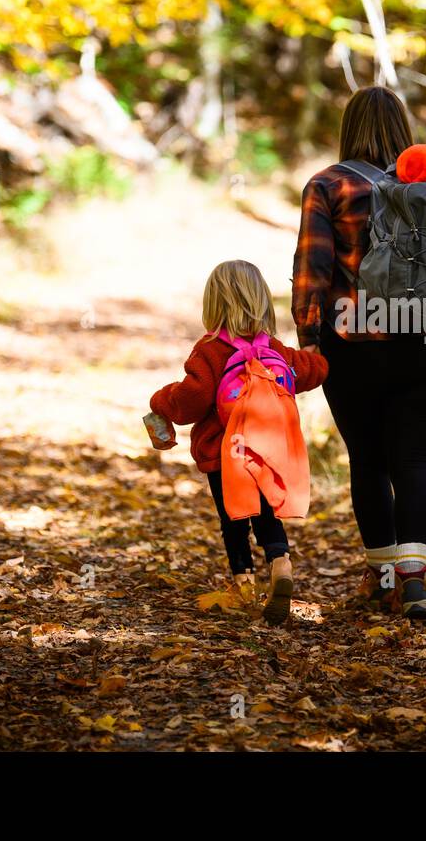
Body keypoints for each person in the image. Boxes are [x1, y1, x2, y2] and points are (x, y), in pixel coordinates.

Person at [292, 86, 426, 620]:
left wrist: (308, 341)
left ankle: (382, 576)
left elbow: (312, 273)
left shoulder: (327, 185)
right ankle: (415, 581)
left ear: (349, 128)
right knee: (416, 459)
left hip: (358, 349)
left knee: (369, 462)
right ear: (402, 128)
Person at [149, 260, 327, 625]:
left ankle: (243, 583)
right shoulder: (273, 348)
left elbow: (190, 400)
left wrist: (159, 401)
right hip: (268, 453)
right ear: (261, 301)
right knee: (265, 513)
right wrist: (321, 355)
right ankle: (280, 562)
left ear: (213, 304)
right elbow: (311, 371)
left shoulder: (210, 351)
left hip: (223, 453)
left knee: (233, 517)